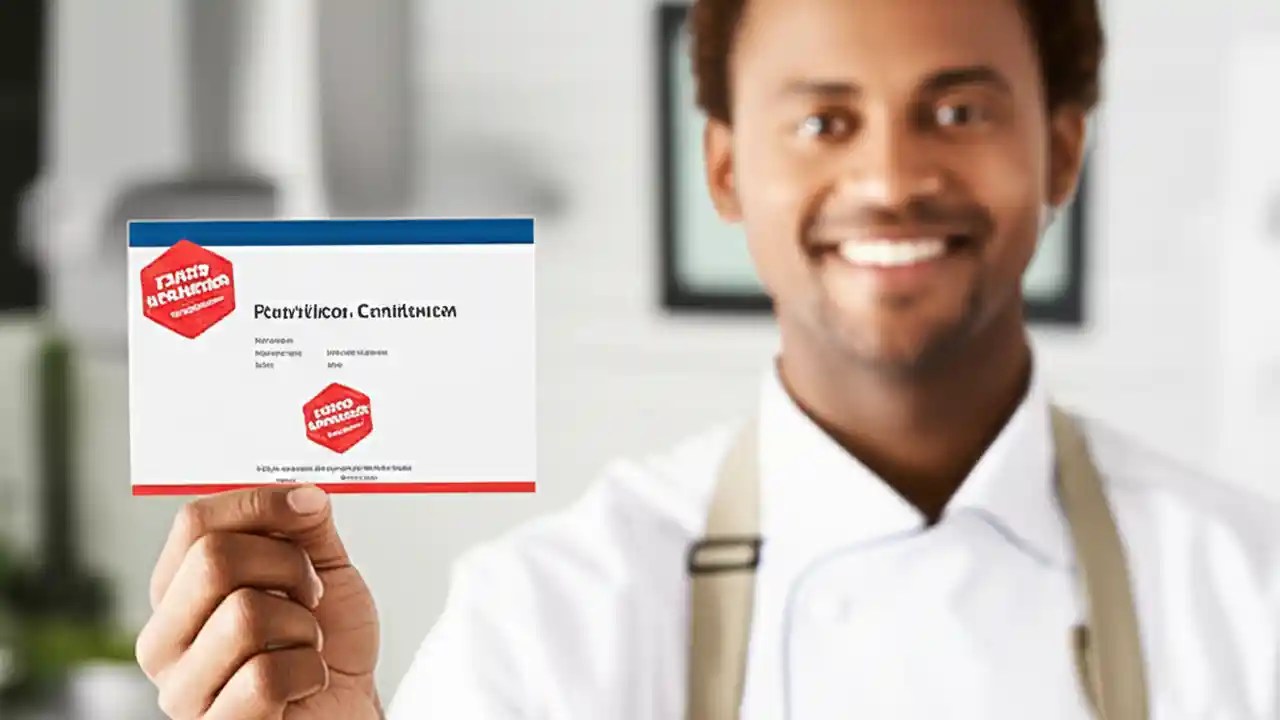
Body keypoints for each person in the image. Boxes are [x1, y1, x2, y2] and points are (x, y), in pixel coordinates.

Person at [134, 0, 1280, 717]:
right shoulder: (544, 619)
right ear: (726, 171)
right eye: (823, 121)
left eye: (956, 113)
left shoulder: (1250, 591)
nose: (890, 178)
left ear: (1060, 151)